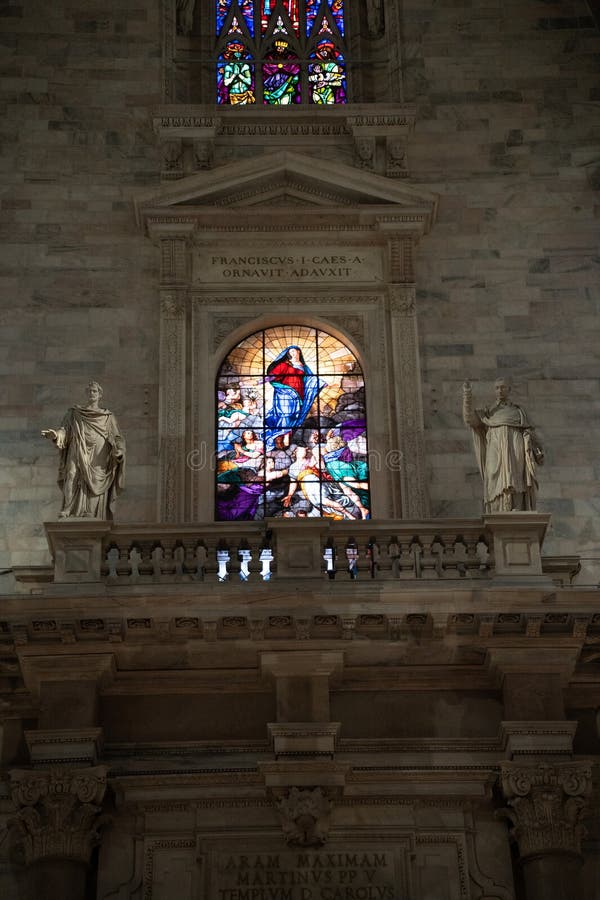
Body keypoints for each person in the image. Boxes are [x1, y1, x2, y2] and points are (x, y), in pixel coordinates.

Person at [41, 381, 126, 520]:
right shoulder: (75, 413)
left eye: (95, 391)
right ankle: (68, 509)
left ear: (100, 395)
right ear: (87, 393)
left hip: (100, 452)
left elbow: (117, 437)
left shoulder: (108, 417)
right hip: (78, 445)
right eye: (90, 391)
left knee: (95, 479)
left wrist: (120, 451)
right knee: (71, 474)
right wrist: (56, 435)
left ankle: (90, 513)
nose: (92, 393)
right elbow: (65, 430)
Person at [462, 378, 544, 512]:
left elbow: (530, 432)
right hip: (495, 449)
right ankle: (498, 509)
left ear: (509, 390)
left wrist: (537, 451)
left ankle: (517, 507)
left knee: (517, 477)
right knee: (495, 477)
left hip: (515, 446)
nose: (500, 390)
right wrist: (467, 395)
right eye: (497, 388)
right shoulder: (488, 412)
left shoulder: (518, 412)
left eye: (503, 387)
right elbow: (469, 419)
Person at [264, 345, 325, 450]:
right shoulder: (285, 364)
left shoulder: (304, 366)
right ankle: (280, 438)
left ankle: (287, 438)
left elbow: (311, 380)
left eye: (294, 351)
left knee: (294, 416)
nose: (292, 353)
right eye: (290, 352)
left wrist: (321, 383)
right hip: (285, 393)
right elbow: (274, 375)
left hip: (299, 394)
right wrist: (260, 381)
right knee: (285, 414)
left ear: (299, 352)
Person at [263, 39, 300, 105]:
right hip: (272, 86)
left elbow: (295, 69)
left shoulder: (291, 59)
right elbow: (266, 69)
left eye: (282, 48)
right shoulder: (269, 59)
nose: (280, 50)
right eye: (279, 48)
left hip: (286, 85)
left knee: (285, 103)